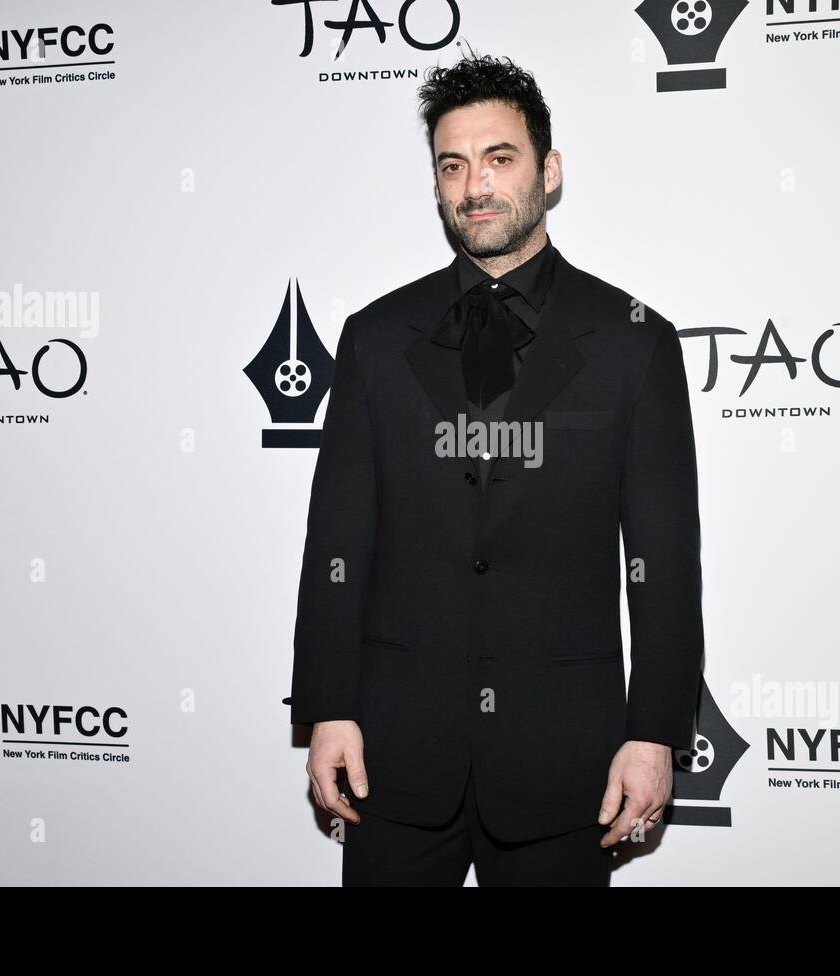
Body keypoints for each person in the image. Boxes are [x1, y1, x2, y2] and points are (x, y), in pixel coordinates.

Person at [287, 52, 704, 886]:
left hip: (565, 763)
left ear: (548, 172)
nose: (474, 183)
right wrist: (328, 707)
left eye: (498, 158)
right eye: (452, 164)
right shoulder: (375, 337)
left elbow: (664, 561)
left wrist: (655, 731)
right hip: (394, 759)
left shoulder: (633, 341)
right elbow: (337, 536)